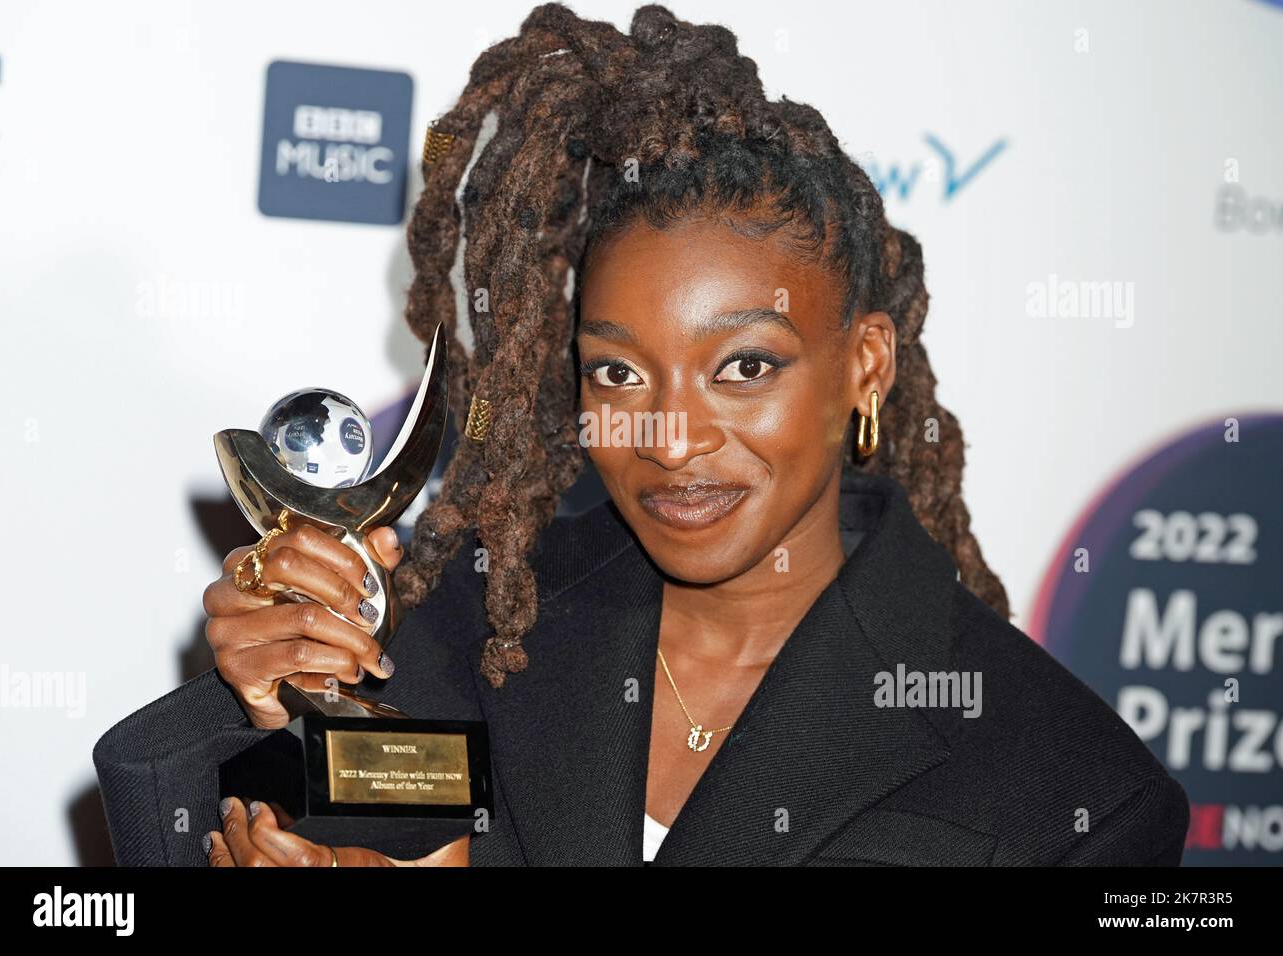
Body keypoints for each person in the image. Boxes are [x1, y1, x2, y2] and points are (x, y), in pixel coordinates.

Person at [93, 2, 1189, 866]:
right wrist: (260, 697)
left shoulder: (1072, 789)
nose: (667, 436)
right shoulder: (473, 624)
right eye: (616, 369)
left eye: (744, 365)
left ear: (863, 365)